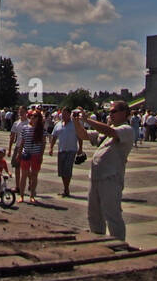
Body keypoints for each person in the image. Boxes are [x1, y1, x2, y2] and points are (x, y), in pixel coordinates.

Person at [75, 101, 134, 242]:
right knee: (93, 214)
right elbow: (84, 135)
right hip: (96, 176)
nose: (110, 114)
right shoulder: (107, 130)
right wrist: (76, 121)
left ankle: (118, 242)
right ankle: (97, 241)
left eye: (113, 111)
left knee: (112, 214)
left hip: (111, 177)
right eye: (109, 112)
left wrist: (87, 120)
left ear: (124, 113)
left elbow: (111, 132)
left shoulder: (126, 129)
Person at [50, 106, 80, 197]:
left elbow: (80, 136)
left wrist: (80, 148)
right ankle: (65, 188)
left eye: (65, 114)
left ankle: (66, 189)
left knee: (67, 169)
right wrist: (51, 148)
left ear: (69, 114)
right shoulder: (58, 124)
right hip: (61, 149)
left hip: (71, 150)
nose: (63, 115)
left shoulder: (74, 124)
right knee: (62, 171)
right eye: (62, 114)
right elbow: (54, 137)